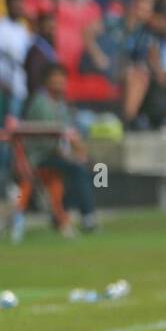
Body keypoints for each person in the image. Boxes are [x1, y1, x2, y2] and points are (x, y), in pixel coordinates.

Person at [21, 67, 98, 234]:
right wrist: (71, 154)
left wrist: (81, 153)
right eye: (56, 80)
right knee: (77, 169)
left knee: (84, 167)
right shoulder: (41, 103)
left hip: (56, 153)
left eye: (62, 80)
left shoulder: (61, 104)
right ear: (47, 82)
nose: (60, 84)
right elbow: (49, 137)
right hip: (39, 156)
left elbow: (69, 132)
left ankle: (61, 215)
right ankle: (87, 218)